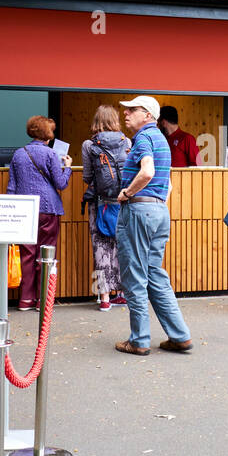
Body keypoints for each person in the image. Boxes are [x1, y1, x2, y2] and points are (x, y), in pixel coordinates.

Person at [113, 95, 192, 355]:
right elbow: (166, 183)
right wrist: (155, 203)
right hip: (159, 211)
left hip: (138, 210)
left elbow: (146, 171)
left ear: (148, 115)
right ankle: (179, 335)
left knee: (134, 275)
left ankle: (139, 341)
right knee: (154, 274)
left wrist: (127, 193)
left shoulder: (144, 137)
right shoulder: (162, 140)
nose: (125, 114)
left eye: (132, 110)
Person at [6, 115, 71, 311]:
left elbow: (12, 187)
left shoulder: (18, 154)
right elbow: (60, 183)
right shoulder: (51, 155)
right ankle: (43, 300)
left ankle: (25, 300)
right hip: (48, 209)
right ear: (48, 134)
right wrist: (67, 167)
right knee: (46, 254)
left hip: (25, 209)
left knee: (27, 254)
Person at [81, 105, 131, 311]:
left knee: (101, 248)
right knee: (121, 246)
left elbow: (86, 177)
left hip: (99, 203)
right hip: (122, 201)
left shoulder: (89, 145)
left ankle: (104, 298)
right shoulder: (126, 141)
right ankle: (121, 293)